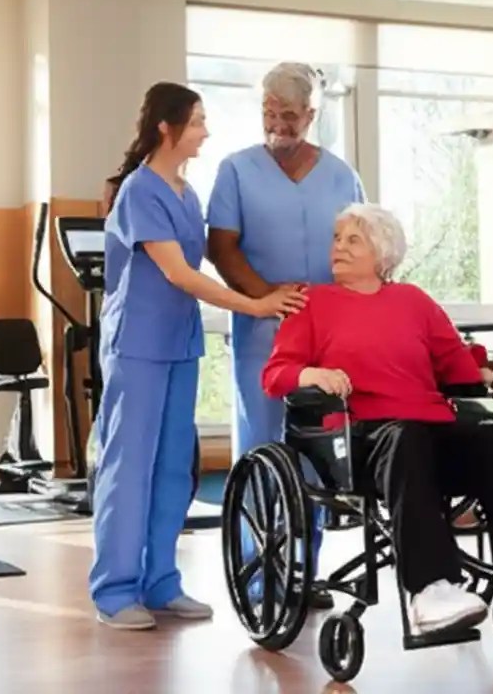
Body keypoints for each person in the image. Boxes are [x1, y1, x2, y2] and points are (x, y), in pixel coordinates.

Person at [261, 203, 493, 635]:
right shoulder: (313, 303)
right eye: (336, 238)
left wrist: (479, 372)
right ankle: (430, 590)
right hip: (361, 438)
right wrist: (312, 373)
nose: (338, 246)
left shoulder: (412, 301)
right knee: (407, 437)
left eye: (352, 239)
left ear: (382, 253)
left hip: (428, 430)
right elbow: (275, 374)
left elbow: (452, 359)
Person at [90, 82, 307, 631]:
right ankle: (115, 589)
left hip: (179, 344)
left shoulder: (186, 193)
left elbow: (201, 266)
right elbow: (180, 274)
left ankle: (161, 581)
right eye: (197, 122)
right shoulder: (140, 190)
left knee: (172, 469)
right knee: (129, 466)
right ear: (167, 127)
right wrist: (256, 303)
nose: (206, 132)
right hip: (136, 346)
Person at [206, 62, 365, 608]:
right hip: (261, 330)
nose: (277, 126)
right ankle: (261, 568)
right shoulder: (236, 170)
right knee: (263, 446)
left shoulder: (342, 175)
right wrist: (267, 298)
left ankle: (306, 571)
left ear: (311, 115)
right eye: (269, 114)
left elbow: (360, 243)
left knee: (316, 451)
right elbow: (221, 246)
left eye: (289, 116)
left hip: (328, 333)